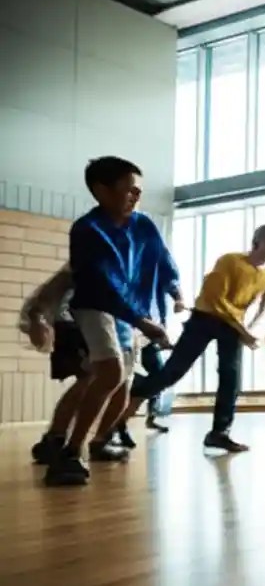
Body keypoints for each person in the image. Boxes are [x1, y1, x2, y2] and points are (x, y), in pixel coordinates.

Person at [50, 157, 174, 486]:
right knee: (109, 372)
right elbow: (102, 288)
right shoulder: (88, 230)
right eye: (128, 190)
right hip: (96, 307)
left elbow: (161, 258)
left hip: (130, 310)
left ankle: (99, 440)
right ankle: (70, 451)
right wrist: (144, 322)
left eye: (139, 191)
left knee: (124, 381)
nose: (135, 196)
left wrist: (173, 287)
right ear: (101, 191)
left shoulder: (143, 224)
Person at [113, 225, 265, 453]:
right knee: (174, 371)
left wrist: (252, 327)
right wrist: (243, 330)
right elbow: (215, 299)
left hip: (233, 327)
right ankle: (137, 390)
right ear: (255, 243)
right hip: (205, 319)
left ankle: (219, 433)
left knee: (231, 379)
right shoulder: (229, 261)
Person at [20, 264, 91, 467]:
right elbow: (55, 286)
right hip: (71, 324)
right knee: (90, 379)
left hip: (82, 324)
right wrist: (37, 316)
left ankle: (56, 437)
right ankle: (55, 437)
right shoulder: (86, 255)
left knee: (91, 382)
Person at [116, 261, 186, 446]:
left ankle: (128, 421)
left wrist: (179, 299)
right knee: (123, 379)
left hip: (149, 330)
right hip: (129, 329)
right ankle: (117, 425)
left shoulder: (156, 266)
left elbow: (171, 281)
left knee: (159, 377)